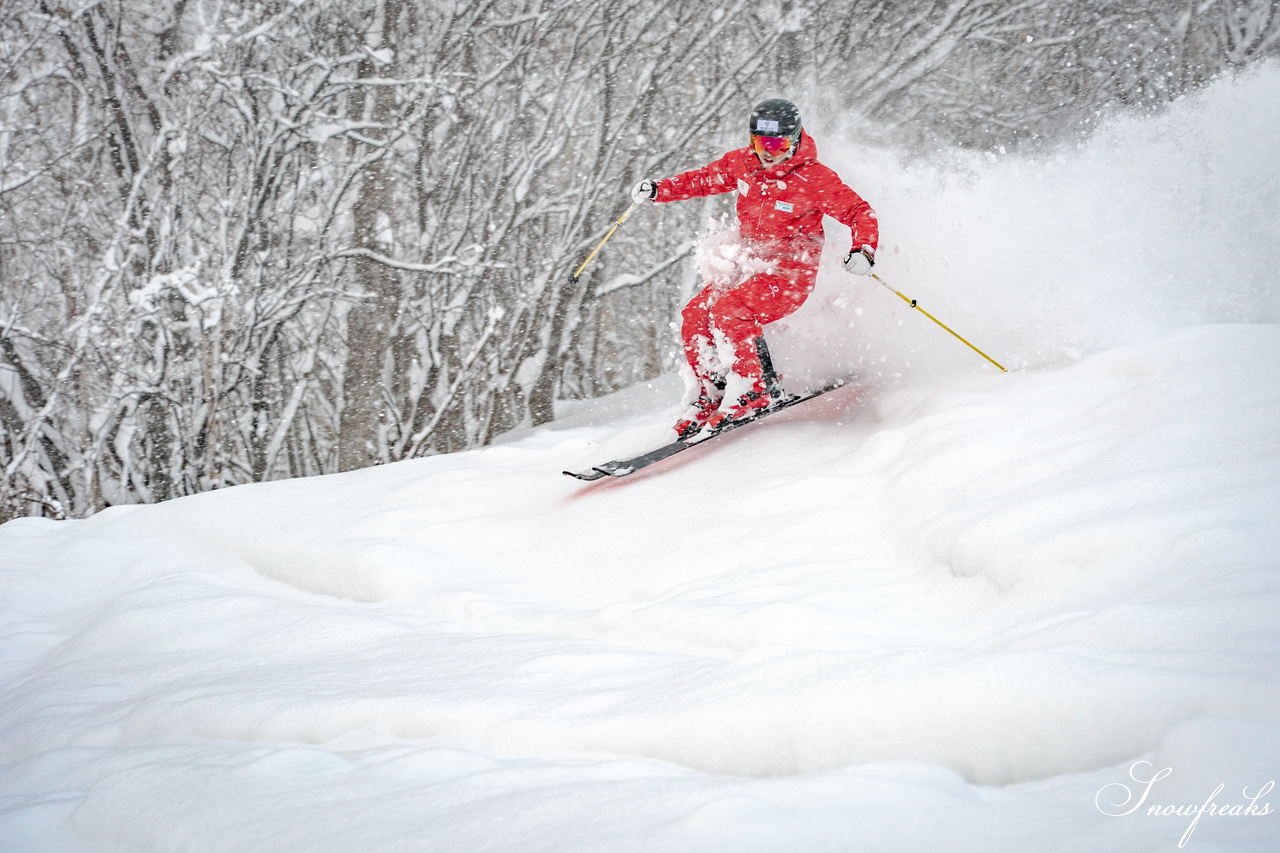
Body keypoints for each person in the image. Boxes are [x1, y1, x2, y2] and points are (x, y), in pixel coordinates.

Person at [631, 97, 879, 439]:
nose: (769, 152)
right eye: (761, 142)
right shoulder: (744, 164)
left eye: (778, 144)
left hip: (789, 275)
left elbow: (859, 212)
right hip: (750, 266)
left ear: (793, 140)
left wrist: (863, 250)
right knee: (695, 314)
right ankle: (710, 391)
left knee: (729, 310)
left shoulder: (813, 178)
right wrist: (660, 189)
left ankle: (757, 387)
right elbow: (704, 179)